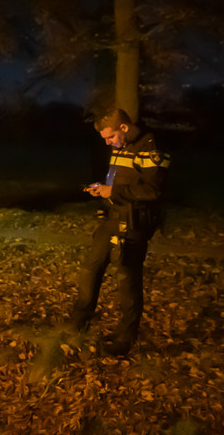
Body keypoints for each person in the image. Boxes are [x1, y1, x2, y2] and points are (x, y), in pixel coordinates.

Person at [67, 107, 169, 356]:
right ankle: (76, 326)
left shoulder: (151, 148)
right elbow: (118, 179)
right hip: (112, 218)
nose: (107, 142)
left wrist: (114, 192)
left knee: (127, 278)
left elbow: (154, 191)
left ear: (124, 127)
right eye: (104, 138)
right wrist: (102, 190)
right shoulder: (119, 146)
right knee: (91, 269)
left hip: (135, 222)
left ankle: (125, 339)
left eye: (110, 136)